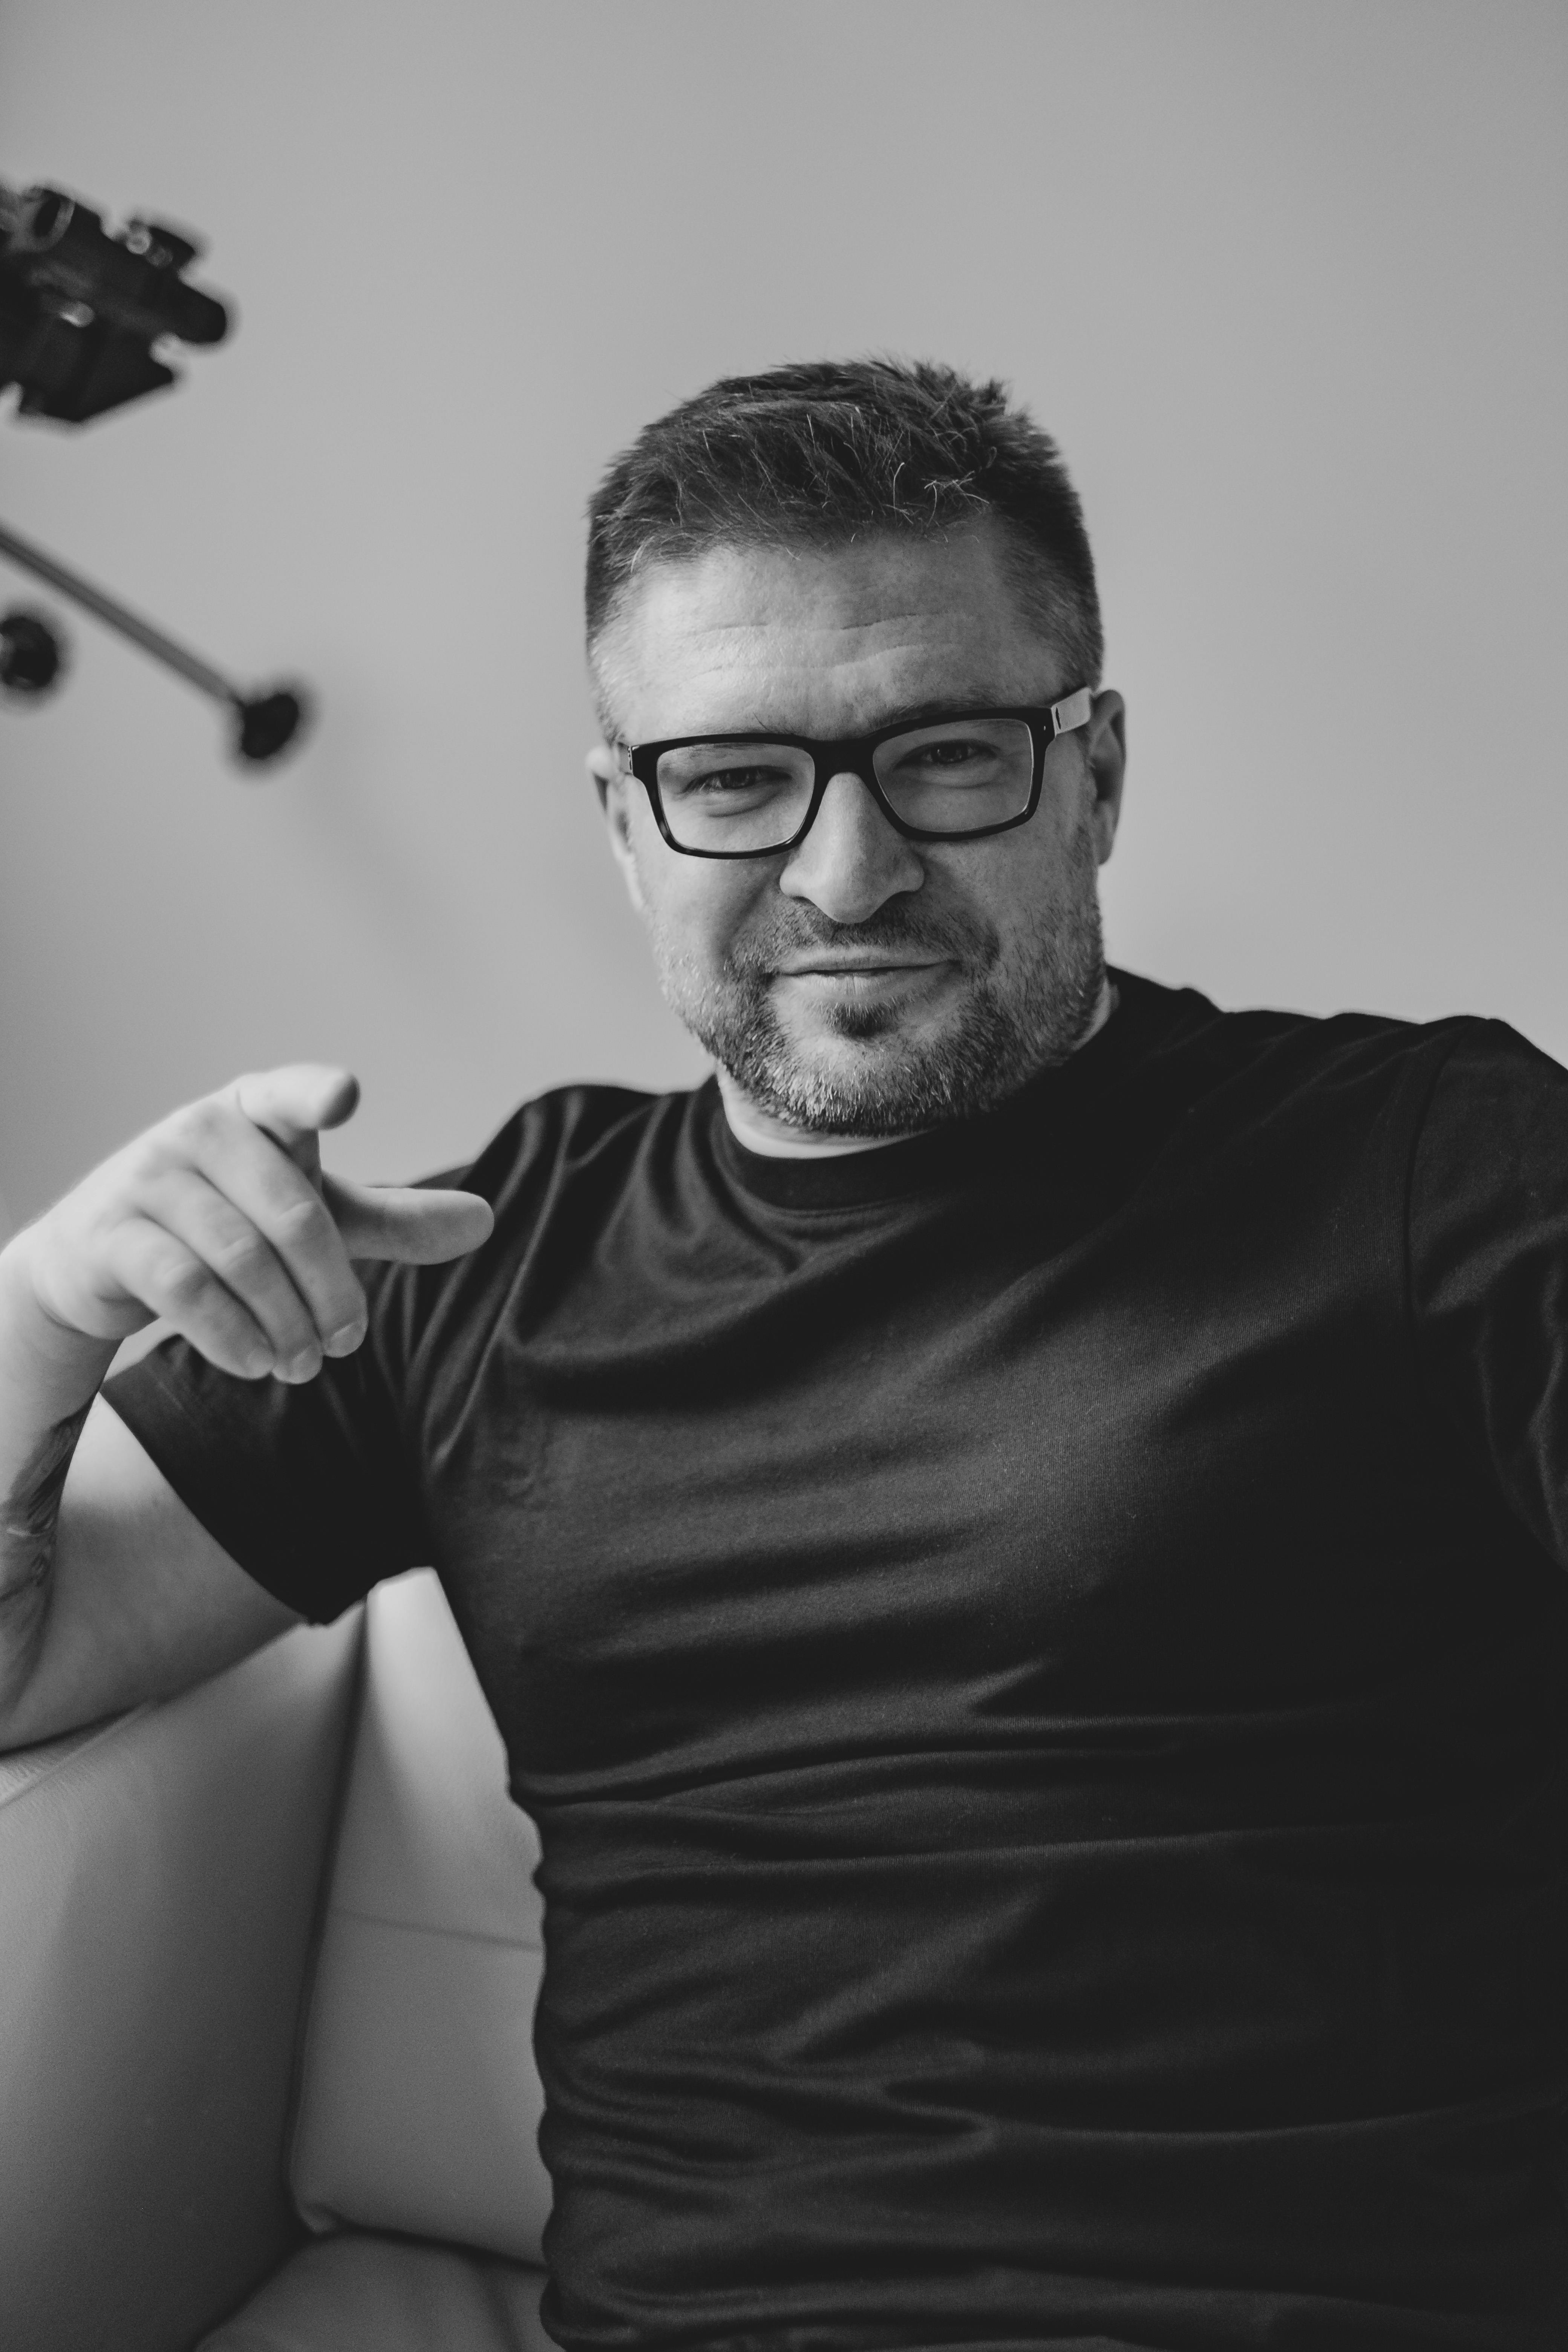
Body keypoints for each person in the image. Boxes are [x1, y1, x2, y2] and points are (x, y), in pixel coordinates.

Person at [1, 358, 1565, 2352]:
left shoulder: (1431, 1166)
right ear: (626, 822)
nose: (846, 873)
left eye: (947, 755)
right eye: (736, 779)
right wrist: (41, 1317)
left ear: (1094, 775)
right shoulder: (484, 1257)